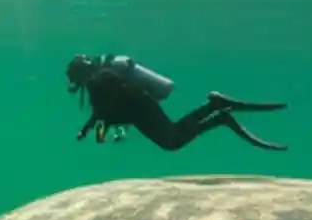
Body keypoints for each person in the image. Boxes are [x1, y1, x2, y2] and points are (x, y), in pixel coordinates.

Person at [66, 54, 288, 151]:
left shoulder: (102, 79)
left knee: (172, 141)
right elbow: (100, 113)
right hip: (142, 110)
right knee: (173, 135)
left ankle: (220, 117)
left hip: (142, 111)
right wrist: (88, 131)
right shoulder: (97, 81)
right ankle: (214, 106)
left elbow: (104, 110)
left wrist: (96, 130)